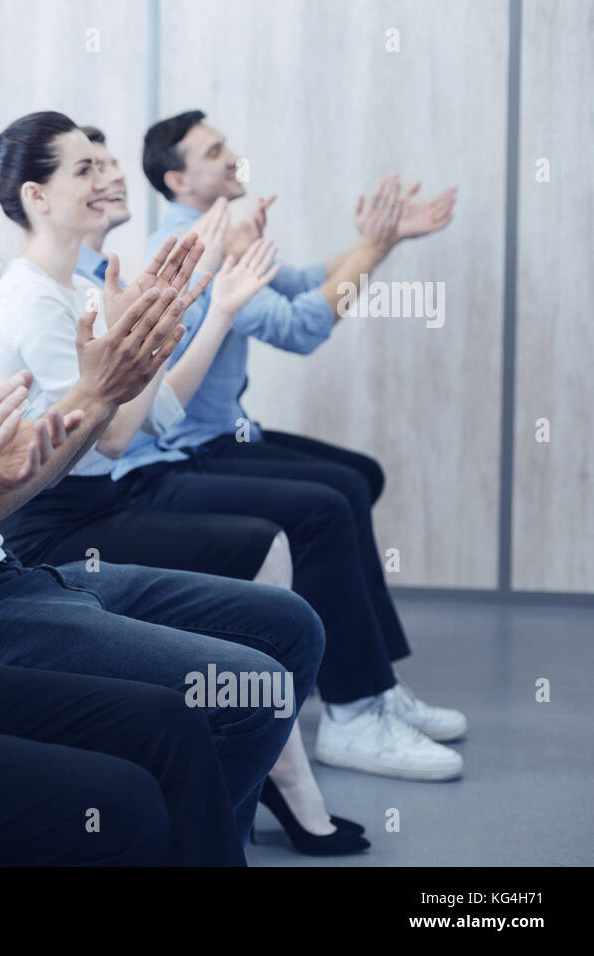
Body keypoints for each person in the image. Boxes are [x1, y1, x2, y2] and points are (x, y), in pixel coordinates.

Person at [0, 92, 334, 849]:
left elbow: (0, 488)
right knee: (242, 693)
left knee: (289, 629)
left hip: (6, 571)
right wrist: (100, 395)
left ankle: (198, 837)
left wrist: (107, 388)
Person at [140, 109, 466, 778]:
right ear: (177, 178)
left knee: (358, 475)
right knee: (336, 496)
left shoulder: (219, 232)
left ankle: (374, 684)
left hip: (229, 433)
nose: (233, 155)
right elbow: (301, 328)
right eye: (214, 150)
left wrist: (386, 240)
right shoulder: (194, 249)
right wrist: (372, 250)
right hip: (195, 448)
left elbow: (307, 282)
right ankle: (353, 711)